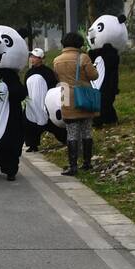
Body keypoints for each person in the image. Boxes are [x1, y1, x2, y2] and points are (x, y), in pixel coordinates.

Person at [51, 33, 99, 176]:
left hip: (66, 96)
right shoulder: (83, 58)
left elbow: (57, 78)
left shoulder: (56, 60)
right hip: (84, 97)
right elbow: (94, 76)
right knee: (86, 131)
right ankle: (87, 163)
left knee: (71, 133)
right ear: (79, 44)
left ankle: (73, 166)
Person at [23, 48, 64, 152]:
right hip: (32, 104)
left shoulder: (48, 72)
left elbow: (53, 86)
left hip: (45, 104)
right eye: (31, 57)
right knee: (29, 124)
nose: (32, 59)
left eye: (35, 57)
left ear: (41, 59)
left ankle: (66, 139)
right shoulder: (29, 72)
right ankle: (33, 145)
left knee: (52, 124)